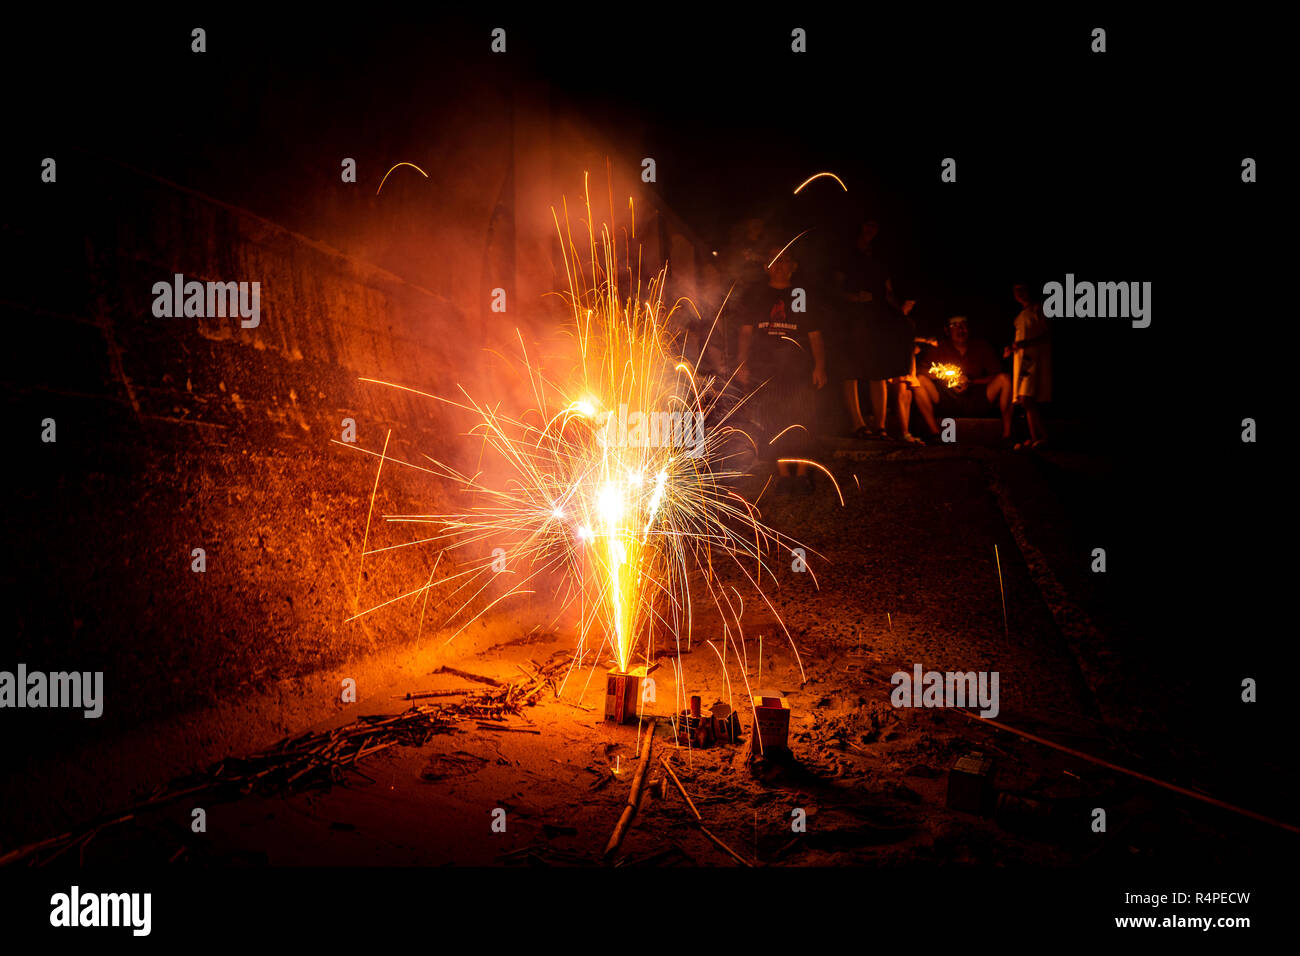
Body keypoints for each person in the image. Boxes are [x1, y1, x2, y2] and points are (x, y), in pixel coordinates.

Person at [735, 246, 828, 495]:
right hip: (766, 367)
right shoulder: (756, 294)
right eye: (774, 259)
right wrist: (742, 363)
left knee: (800, 419)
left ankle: (802, 473)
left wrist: (820, 365)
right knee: (773, 421)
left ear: (793, 266)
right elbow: (745, 332)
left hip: (797, 367)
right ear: (766, 266)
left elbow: (814, 333)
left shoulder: (800, 295)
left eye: (785, 259)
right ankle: (784, 475)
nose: (779, 264)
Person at [834, 221, 915, 440]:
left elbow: (887, 290)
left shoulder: (879, 256)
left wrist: (900, 312)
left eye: (875, 226)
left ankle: (880, 426)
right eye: (867, 224)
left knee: (878, 369)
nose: (871, 229)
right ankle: (857, 424)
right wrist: (853, 297)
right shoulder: (847, 254)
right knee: (851, 370)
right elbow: (834, 288)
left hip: (877, 318)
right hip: (852, 318)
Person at [912, 315, 1014, 441]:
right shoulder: (939, 347)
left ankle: (1007, 434)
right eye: (954, 325)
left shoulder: (981, 346)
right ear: (947, 331)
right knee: (919, 380)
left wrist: (971, 381)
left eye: (963, 325)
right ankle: (935, 433)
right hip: (947, 398)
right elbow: (920, 370)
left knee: (1005, 379)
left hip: (976, 398)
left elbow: (997, 374)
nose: (960, 329)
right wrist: (942, 375)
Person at [1004, 283, 1052, 449]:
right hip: (1023, 361)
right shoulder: (1021, 315)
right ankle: (1034, 438)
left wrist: (1025, 344)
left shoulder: (1039, 309)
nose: (1020, 293)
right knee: (1025, 401)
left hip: (1035, 360)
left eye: (1023, 289)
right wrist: (1012, 348)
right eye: (1016, 290)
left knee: (1027, 399)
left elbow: (1048, 335)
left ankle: (1044, 437)